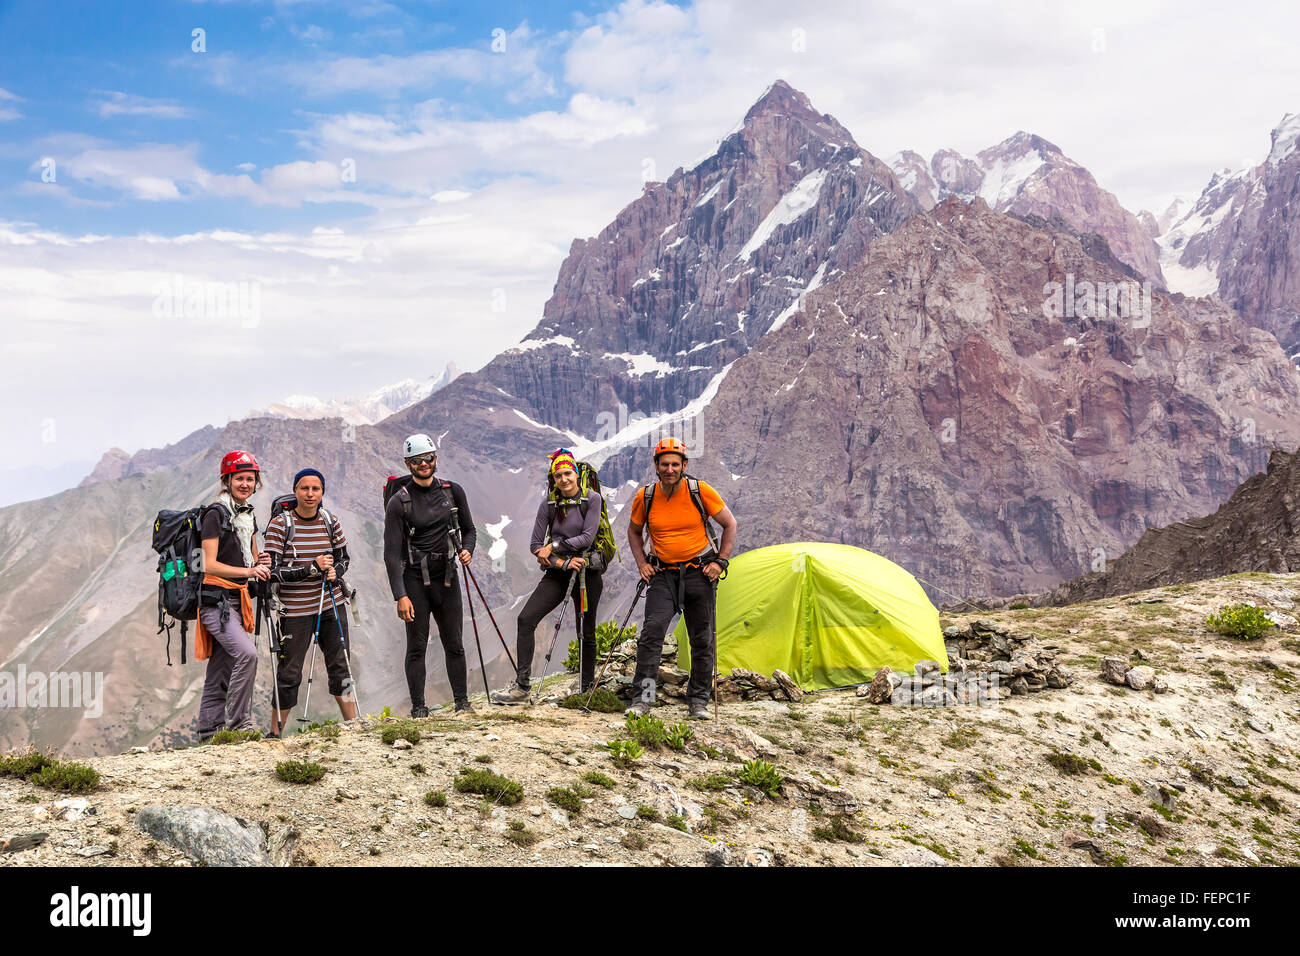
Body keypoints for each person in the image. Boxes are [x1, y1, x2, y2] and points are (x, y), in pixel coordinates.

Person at [626, 437, 737, 720]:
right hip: (663, 574)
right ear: (656, 466)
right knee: (652, 635)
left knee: (702, 639)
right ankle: (644, 698)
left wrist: (721, 562)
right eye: (665, 464)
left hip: (700, 572)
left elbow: (729, 524)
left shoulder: (700, 491)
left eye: (676, 464)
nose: (670, 469)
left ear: (684, 465)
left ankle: (698, 700)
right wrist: (641, 563)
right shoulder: (646, 496)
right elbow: (634, 531)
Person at [493, 449, 604, 704]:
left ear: (576, 474)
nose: (564, 479)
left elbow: (588, 537)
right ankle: (522, 687)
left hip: (588, 573)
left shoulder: (592, 499)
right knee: (525, 619)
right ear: (553, 478)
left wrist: (553, 547)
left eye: (567, 473)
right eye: (558, 475)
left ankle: (586, 688)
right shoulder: (549, 505)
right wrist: (563, 563)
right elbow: (534, 545)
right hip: (559, 572)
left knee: (585, 629)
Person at [384, 434, 476, 716]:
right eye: (416, 460)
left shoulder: (453, 491)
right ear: (407, 464)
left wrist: (467, 550)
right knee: (417, 646)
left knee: (455, 643)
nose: (424, 464)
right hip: (414, 580)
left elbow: (470, 529)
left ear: (436, 458)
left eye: (428, 458)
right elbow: (391, 553)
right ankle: (419, 708)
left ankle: (462, 703)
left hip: (447, 575)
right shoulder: (399, 503)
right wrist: (400, 595)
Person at [262, 468, 357, 736]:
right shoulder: (281, 525)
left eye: (315, 489)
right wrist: (311, 569)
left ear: (322, 492)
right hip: (295, 610)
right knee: (289, 672)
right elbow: (272, 572)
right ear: (295, 491)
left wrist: (336, 571)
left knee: (341, 664)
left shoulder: (330, 520)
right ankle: (274, 733)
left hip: (331, 603)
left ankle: (353, 725)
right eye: (304, 488)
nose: (310, 494)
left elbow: (344, 558)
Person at [196, 450, 272, 740]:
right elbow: (209, 563)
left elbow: (250, 561)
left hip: (236, 602)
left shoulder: (246, 516)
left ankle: (208, 734)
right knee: (248, 654)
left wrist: (259, 563)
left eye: (250, 479)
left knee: (222, 669)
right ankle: (240, 723)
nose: (245, 484)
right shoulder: (216, 513)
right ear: (226, 480)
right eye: (239, 478)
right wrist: (249, 573)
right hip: (216, 602)